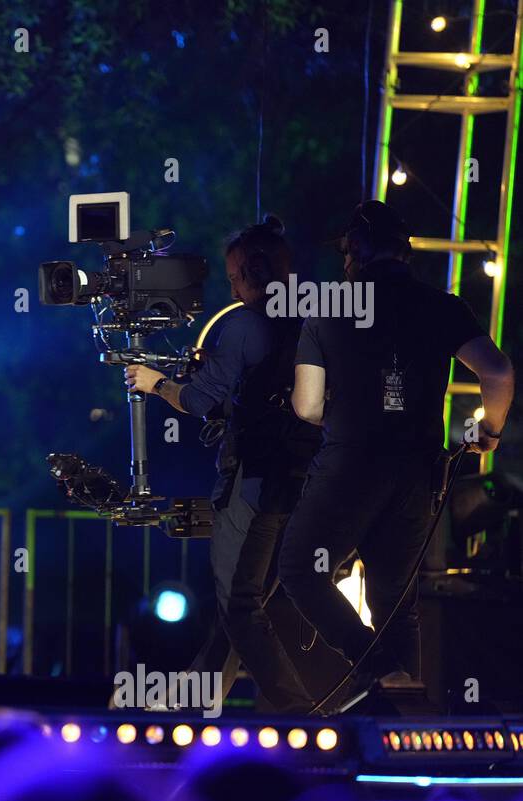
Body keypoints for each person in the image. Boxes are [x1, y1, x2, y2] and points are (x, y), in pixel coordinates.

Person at [279, 199, 514, 708]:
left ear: (358, 249)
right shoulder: (444, 307)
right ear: (404, 252)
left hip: (348, 468)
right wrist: (489, 432)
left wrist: (349, 414)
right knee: (395, 604)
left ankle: (377, 669)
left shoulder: (327, 310)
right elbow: (497, 373)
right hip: (416, 474)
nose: (343, 261)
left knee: (301, 568)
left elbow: (306, 406)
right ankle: (404, 725)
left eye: (346, 251)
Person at [126, 215, 319, 712]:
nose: (232, 287)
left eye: (236, 277)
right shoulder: (314, 320)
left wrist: (156, 384)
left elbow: (199, 401)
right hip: (303, 483)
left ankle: (302, 713)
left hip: (254, 483)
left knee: (240, 607)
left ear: (255, 273)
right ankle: (183, 708)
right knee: (239, 610)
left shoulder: (244, 325)